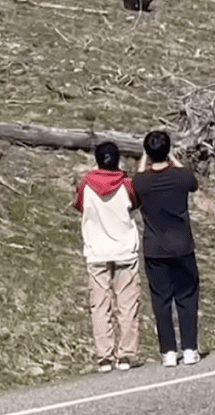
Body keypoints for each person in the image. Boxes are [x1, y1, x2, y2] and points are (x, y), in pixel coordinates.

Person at [133, 131, 202, 368]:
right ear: (169, 150)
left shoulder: (141, 182)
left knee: (161, 300)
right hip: (182, 245)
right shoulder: (182, 176)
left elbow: (138, 177)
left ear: (148, 153)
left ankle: (168, 351)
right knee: (187, 296)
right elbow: (192, 181)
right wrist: (172, 156)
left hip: (155, 248)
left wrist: (145, 156)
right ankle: (190, 348)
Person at [73, 142, 142, 373]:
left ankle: (104, 356)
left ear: (98, 160)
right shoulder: (126, 184)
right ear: (117, 160)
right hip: (124, 248)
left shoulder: (86, 185)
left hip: (96, 251)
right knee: (127, 303)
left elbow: (79, 206)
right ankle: (126, 354)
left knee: (100, 305)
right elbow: (135, 204)